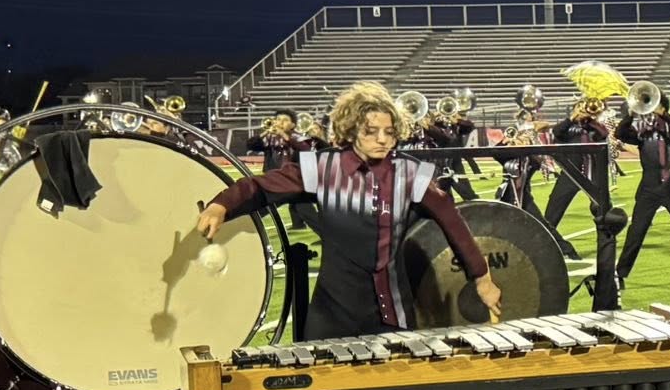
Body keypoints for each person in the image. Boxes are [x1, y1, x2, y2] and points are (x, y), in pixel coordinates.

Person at [196, 80, 501, 339]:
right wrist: (222, 205)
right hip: (331, 312)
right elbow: (261, 187)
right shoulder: (323, 168)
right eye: (371, 131)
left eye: (389, 131)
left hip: (391, 312)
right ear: (352, 130)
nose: (382, 139)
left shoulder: (410, 174)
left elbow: (451, 220)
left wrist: (482, 278)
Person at [614, 94, 670, 294]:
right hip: (648, 189)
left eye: (656, 106)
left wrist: (664, 115)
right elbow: (620, 133)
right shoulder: (641, 132)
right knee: (636, 233)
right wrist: (631, 115)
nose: (651, 111)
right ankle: (620, 274)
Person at [541, 98, 608, 259]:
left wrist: (590, 120)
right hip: (571, 173)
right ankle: (544, 244)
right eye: (581, 107)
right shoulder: (567, 127)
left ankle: (606, 246)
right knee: (553, 210)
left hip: (593, 172)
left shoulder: (595, 126)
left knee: (602, 210)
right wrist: (572, 118)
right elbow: (557, 132)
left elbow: (603, 134)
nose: (584, 110)